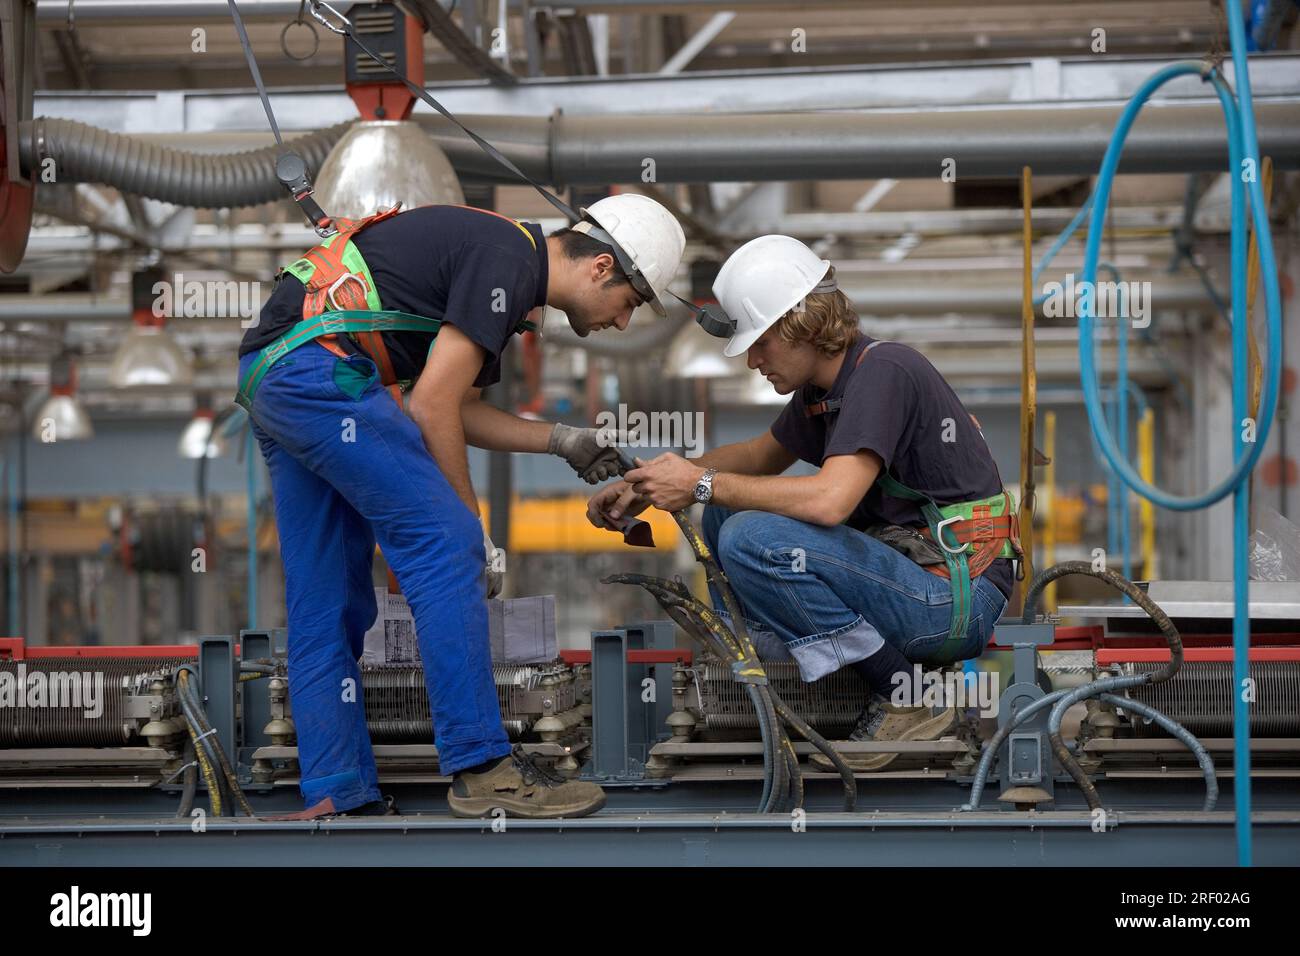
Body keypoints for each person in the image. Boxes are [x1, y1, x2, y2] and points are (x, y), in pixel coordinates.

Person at [237, 195, 686, 815]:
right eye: (631, 303)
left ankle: (336, 787)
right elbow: (430, 409)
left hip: (277, 376)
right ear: (602, 267)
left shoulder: (505, 267)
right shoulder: (507, 259)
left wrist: (564, 441)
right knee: (448, 546)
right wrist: (475, 533)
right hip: (324, 375)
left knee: (327, 596)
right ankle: (482, 767)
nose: (623, 322)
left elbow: (457, 405)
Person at [586, 235, 1017, 771]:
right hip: (914, 582)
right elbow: (755, 456)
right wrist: (649, 479)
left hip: (957, 599)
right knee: (725, 508)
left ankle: (904, 696)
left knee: (748, 534)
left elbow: (831, 501)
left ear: (801, 323)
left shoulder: (884, 372)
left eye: (760, 341)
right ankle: (759, 665)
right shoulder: (822, 393)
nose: (752, 360)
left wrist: (698, 484)